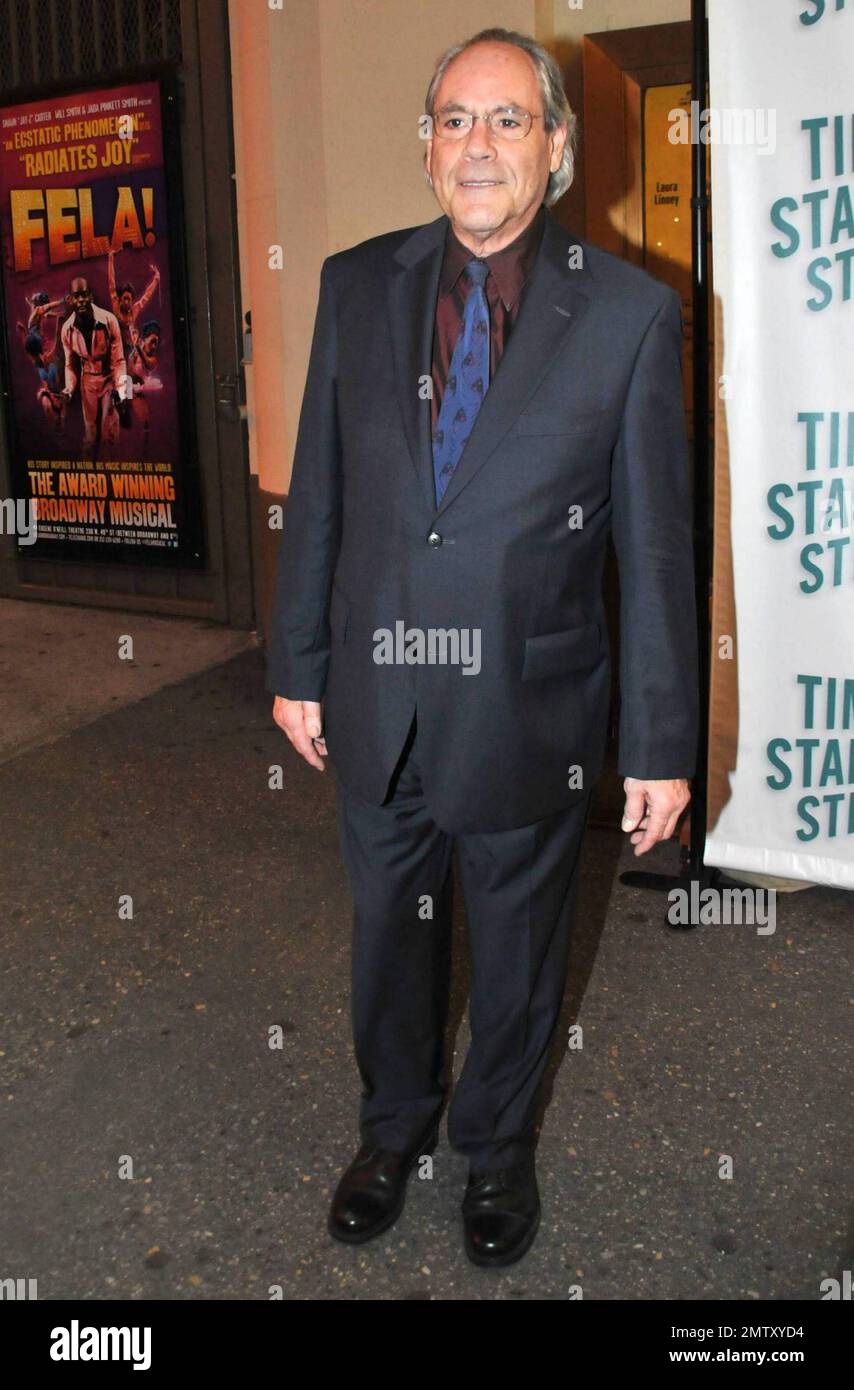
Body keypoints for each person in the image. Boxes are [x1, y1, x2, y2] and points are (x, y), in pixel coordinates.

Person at [267, 27, 699, 1268]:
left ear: (555, 150)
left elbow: (656, 554)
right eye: (453, 119)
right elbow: (324, 486)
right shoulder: (357, 286)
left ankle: (495, 1153)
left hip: (531, 709)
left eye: (507, 120)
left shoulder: (625, 317)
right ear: (424, 147)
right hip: (376, 693)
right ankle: (389, 1129)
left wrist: (658, 745)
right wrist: (297, 660)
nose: (476, 145)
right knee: (389, 939)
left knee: (514, 956)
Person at [59, 277, 127, 456]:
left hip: (108, 380)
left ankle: (110, 476)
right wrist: (69, 388)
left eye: (84, 295)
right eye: (76, 296)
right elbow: (70, 365)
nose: (81, 300)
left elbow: (119, 360)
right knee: (90, 434)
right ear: (71, 300)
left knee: (109, 433)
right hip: (87, 381)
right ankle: (87, 476)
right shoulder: (67, 329)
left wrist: (122, 392)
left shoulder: (109, 320)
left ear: (91, 296)